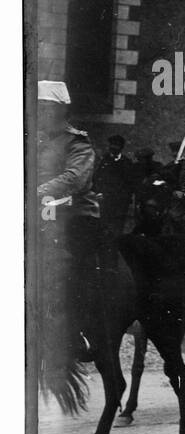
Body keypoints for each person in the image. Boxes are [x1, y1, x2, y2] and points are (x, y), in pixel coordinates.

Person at [36, 81, 101, 357]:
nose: (39, 113)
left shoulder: (78, 142)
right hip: (40, 214)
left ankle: (80, 332)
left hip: (74, 215)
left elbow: (75, 178)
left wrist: (35, 191)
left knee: (74, 267)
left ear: (62, 110)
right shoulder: (34, 139)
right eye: (37, 108)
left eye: (45, 108)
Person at [93, 133, 137, 237]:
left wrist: (125, 198)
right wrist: (97, 192)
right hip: (104, 199)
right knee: (103, 225)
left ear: (121, 148)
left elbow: (129, 183)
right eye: (111, 145)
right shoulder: (103, 161)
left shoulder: (126, 163)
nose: (113, 148)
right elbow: (96, 178)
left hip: (119, 201)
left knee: (117, 227)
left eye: (116, 146)